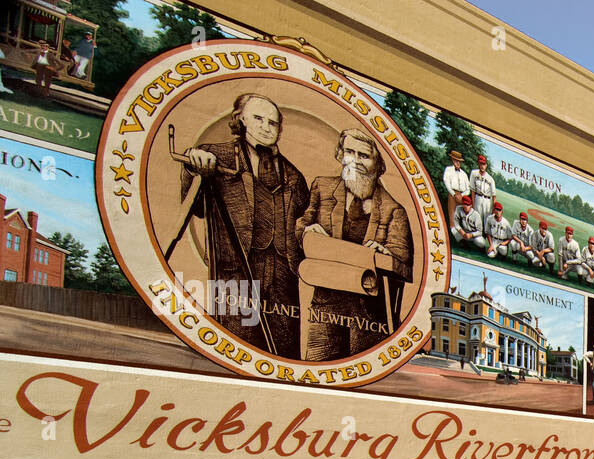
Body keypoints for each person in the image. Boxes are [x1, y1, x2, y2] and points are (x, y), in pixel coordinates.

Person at [179, 93, 310, 357]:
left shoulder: (294, 176)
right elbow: (195, 207)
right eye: (258, 119)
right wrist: (192, 167)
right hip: (235, 266)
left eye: (272, 123)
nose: (265, 127)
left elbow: (304, 221)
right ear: (241, 121)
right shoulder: (215, 156)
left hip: (282, 274)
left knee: (283, 351)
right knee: (235, 345)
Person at [296, 127, 414, 360]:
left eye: (364, 156)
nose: (356, 161)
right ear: (340, 155)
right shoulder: (322, 188)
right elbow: (301, 224)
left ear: (378, 165)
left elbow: (405, 266)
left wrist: (385, 255)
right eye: (350, 152)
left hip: (369, 314)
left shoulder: (394, 211)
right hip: (325, 307)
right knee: (317, 368)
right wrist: (306, 231)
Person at [442, 149, 469, 228]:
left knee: (461, 218)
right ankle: (452, 232)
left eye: (459, 161)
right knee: (452, 217)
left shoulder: (464, 174)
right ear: (452, 160)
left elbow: (468, 189)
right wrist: (454, 194)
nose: (457, 163)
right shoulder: (448, 170)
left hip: (462, 196)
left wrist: (462, 195)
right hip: (452, 195)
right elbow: (446, 182)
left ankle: (460, 236)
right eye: (456, 160)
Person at [469, 154, 495, 226]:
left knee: (486, 222)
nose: (482, 166)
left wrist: (493, 209)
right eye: (481, 164)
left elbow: (494, 196)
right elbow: (472, 191)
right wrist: (473, 204)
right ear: (478, 164)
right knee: (476, 220)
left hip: (487, 200)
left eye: (484, 164)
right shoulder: (474, 173)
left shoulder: (490, 178)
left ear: (486, 165)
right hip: (478, 197)